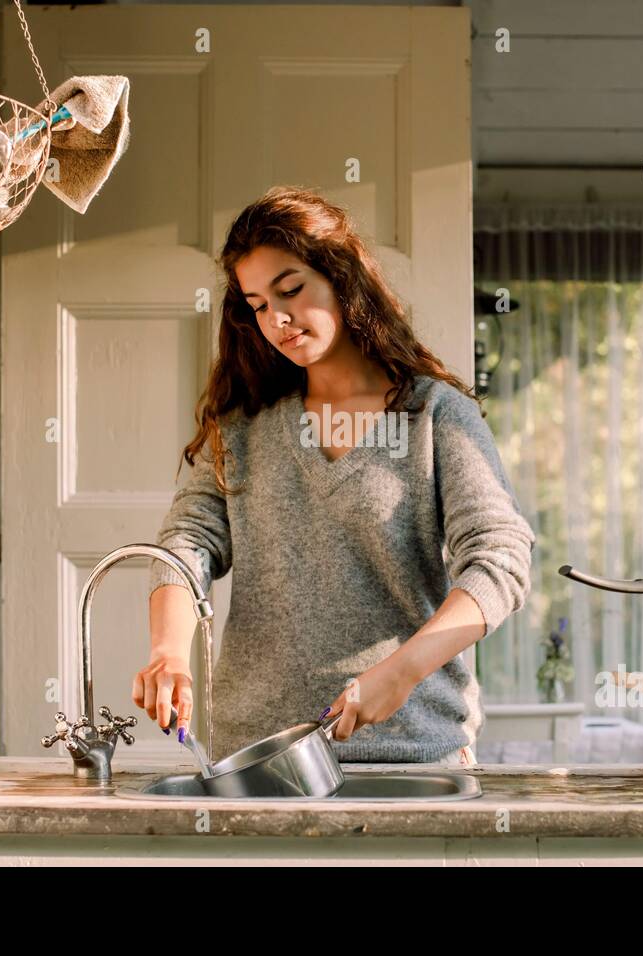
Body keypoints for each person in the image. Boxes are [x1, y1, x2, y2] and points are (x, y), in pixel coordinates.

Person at [132, 185, 534, 765]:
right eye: (258, 305)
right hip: (260, 757)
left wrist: (402, 671)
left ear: (342, 276)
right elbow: (186, 541)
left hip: (411, 750)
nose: (278, 319)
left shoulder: (435, 415)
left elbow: (501, 557)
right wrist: (168, 651)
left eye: (290, 290)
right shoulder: (243, 425)